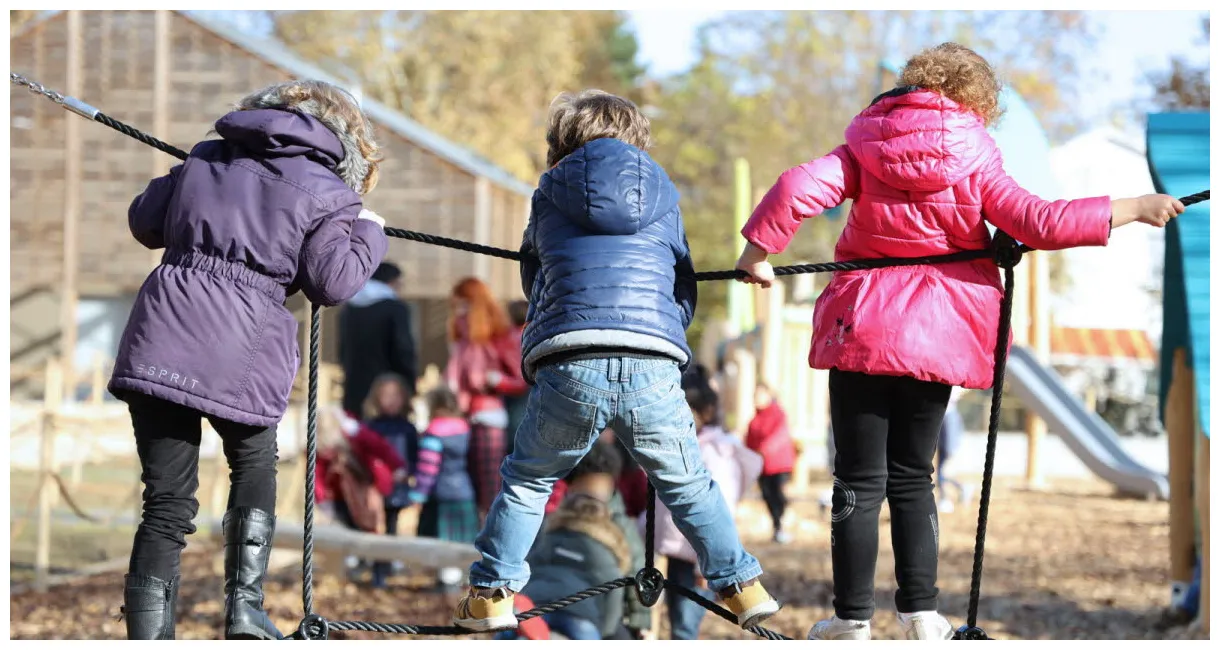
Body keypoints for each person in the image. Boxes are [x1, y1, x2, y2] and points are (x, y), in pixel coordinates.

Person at [733, 43, 1185, 641]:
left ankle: (850, 620)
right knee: (915, 475)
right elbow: (1037, 221)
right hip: (938, 335)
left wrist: (757, 253)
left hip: (862, 328)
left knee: (857, 481)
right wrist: (1131, 207)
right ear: (977, 100)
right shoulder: (976, 153)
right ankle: (922, 614)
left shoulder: (866, 145)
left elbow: (797, 188)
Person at [454, 89, 778, 634]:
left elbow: (534, 275)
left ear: (562, 142)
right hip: (650, 358)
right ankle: (740, 584)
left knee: (530, 480)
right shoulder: (664, 196)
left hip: (571, 356)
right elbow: (683, 280)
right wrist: (666, 335)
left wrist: (547, 328)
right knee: (689, 483)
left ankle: (490, 590)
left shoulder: (548, 193)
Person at [108, 80, 388, 640]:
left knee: (164, 503)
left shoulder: (207, 155)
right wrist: (370, 236)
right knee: (255, 462)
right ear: (343, 137)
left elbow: (146, 223)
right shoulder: (329, 191)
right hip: (244, 343)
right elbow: (331, 283)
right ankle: (244, 612)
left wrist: (182, 176)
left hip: (165, 332)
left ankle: (148, 635)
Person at [650, 368, 764, 640]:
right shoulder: (682, 445)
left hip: (698, 558)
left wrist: (706, 563)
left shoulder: (717, 454)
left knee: (684, 625)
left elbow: (719, 510)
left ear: (706, 412)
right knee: (667, 618)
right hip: (674, 551)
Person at [510, 440, 651, 640]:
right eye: (587, 486)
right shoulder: (556, 519)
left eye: (601, 486)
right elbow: (533, 560)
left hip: (591, 608)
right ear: (572, 485)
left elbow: (637, 572)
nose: (595, 493)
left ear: (612, 485)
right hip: (557, 606)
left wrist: (640, 621)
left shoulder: (618, 524)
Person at [445, 278, 529, 521]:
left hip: (489, 416)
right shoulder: (463, 339)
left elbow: (521, 378)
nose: (460, 313)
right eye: (457, 307)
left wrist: (495, 380)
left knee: (489, 489)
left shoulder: (499, 337)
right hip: (461, 418)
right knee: (467, 488)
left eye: (466, 306)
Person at [339, 261, 418, 416]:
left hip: (354, 390)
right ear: (393, 282)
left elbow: (342, 351)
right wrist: (409, 383)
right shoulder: (395, 308)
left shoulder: (350, 308)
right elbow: (403, 349)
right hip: (387, 395)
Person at [362, 373, 419, 584]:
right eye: (385, 396)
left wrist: (408, 473)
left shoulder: (408, 428)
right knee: (376, 529)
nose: (391, 400)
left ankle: (387, 568)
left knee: (392, 527)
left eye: (395, 396)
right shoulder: (371, 426)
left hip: (397, 488)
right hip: (375, 488)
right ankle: (376, 569)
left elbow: (415, 457)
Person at [410, 388, 480, 547]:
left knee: (441, 546)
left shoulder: (434, 432)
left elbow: (428, 468)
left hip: (440, 497)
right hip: (464, 492)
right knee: (463, 543)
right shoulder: (465, 428)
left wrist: (418, 495)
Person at [745, 382, 798, 544]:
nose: (758, 399)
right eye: (756, 395)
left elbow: (780, 435)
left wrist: (764, 450)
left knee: (778, 495)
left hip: (779, 465)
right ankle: (777, 526)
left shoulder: (778, 414)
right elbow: (749, 443)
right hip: (762, 467)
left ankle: (781, 524)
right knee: (768, 496)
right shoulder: (754, 421)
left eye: (761, 395)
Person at [937, 387, 970, 514]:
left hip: (948, 414)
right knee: (940, 463)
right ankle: (948, 495)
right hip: (940, 414)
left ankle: (949, 496)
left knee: (945, 464)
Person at [503, 300, 530, 455]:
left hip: (515, 399)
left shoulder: (512, 337)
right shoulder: (530, 333)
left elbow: (519, 380)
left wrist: (497, 381)